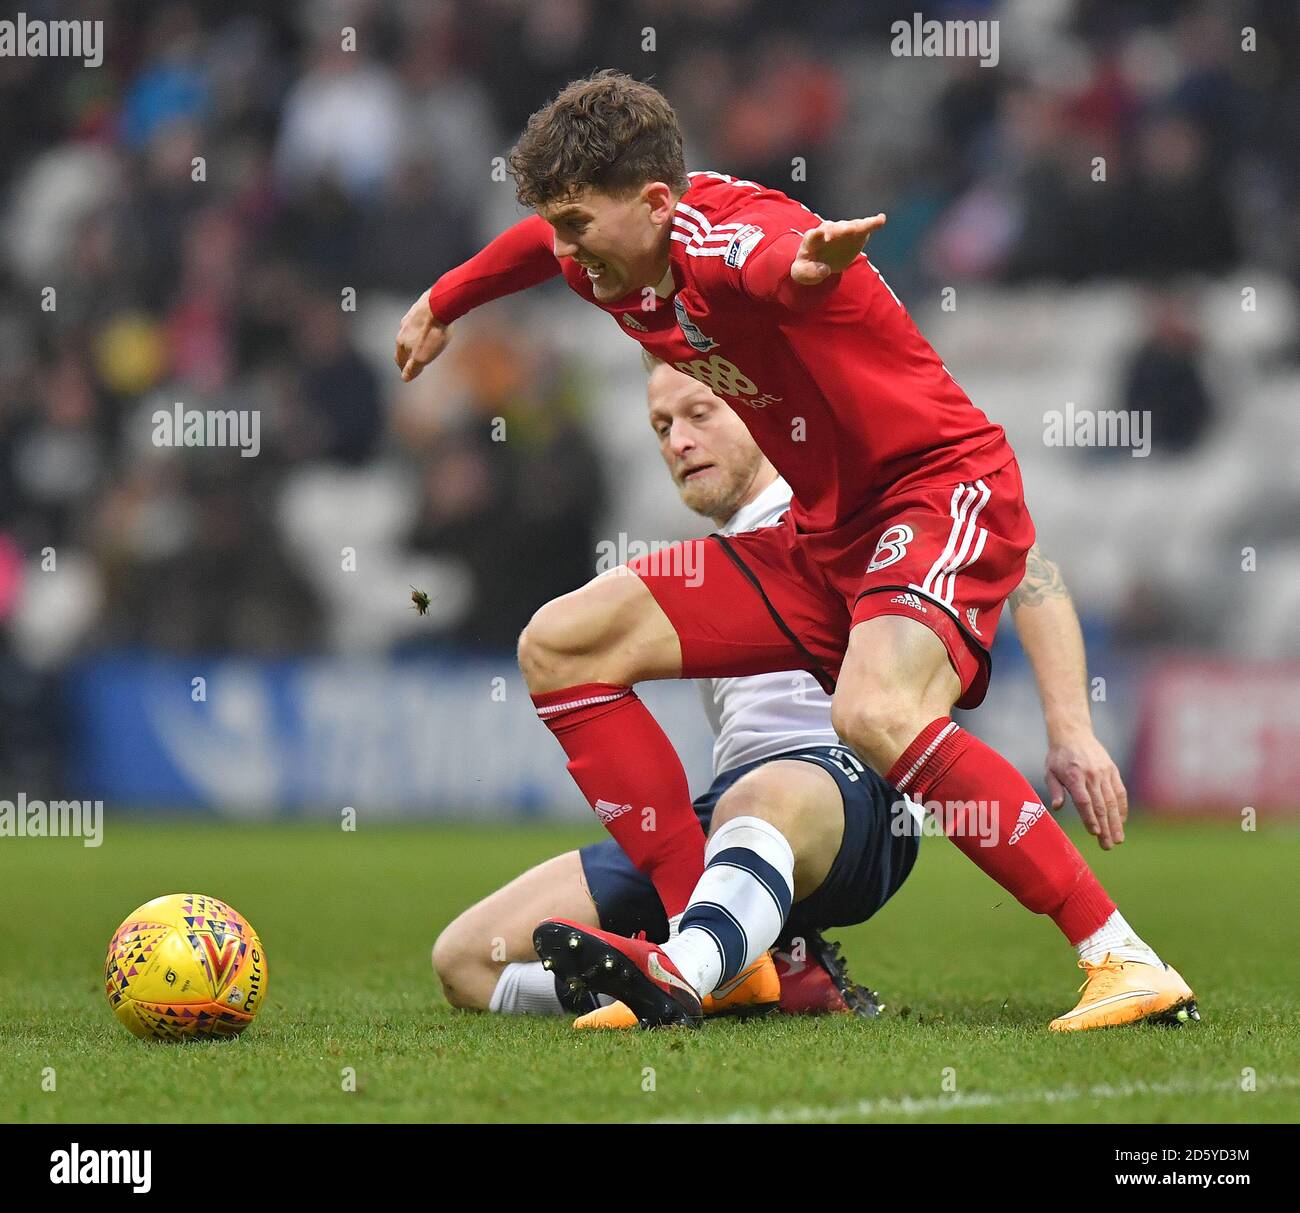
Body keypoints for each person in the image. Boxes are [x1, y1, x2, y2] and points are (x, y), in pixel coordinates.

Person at [397, 72, 1195, 1031]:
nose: (568, 250)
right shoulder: (606, 257)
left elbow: (767, 260)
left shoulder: (717, 241)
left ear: (655, 203)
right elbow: (534, 244)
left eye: (577, 224)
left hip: (936, 489)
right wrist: (446, 300)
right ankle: (716, 947)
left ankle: (1123, 957)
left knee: (874, 708)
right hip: (825, 538)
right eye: (560, 226)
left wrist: (806, 270)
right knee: (562, 642)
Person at [433, 361, 1150, 1030]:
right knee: (467, 959)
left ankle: (700, 963)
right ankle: (742, 963)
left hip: (852, 791)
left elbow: (1028, 569)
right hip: (724, 815)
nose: (680, 440)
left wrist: (1073, 729)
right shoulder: (709, 560)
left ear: (757, 410)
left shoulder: (837, 506)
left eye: (701, 413)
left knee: (758, 799)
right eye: (661, 426)